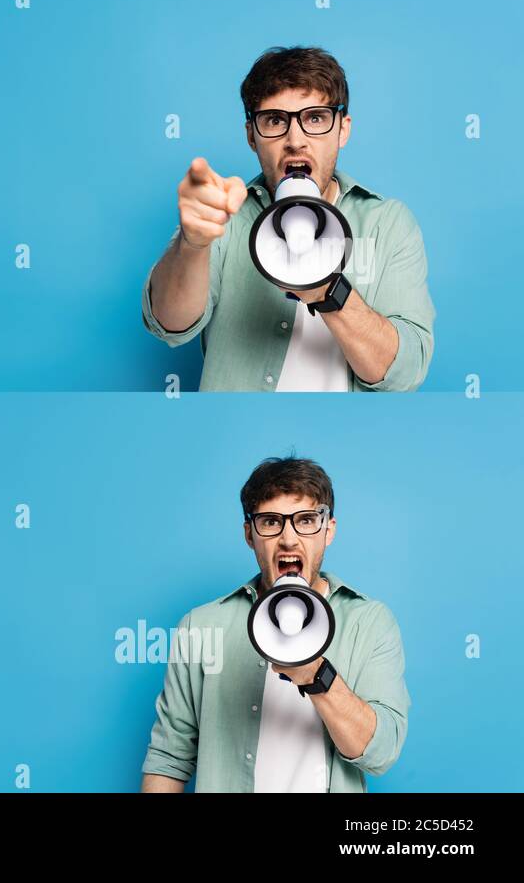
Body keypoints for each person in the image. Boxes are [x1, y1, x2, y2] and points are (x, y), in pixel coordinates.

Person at [142, 46, 435, 391]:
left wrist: (330, 292)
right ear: (252, 135)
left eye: (315, 118)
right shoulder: (222, 213)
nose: (295, 141)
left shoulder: (389, 223)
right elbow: (169, 325)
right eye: (275, 120)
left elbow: (405, 372)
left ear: (342, 129)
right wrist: (192, 243)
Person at [141, 457, 409, 792]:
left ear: (329, 531)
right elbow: (168, 758)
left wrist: (316, 675)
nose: (288, 539)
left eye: (307, 520)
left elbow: (380, 753)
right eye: (270, 521)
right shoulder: (199, 627)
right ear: (249, 534)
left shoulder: (369, 622)